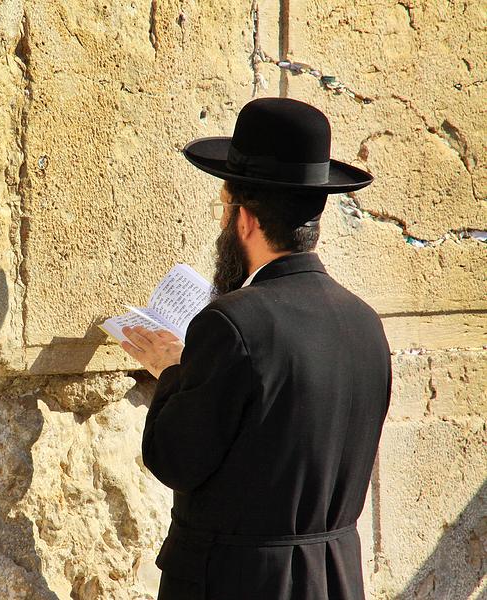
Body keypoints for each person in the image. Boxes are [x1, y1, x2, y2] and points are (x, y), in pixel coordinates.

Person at [120, 97, 392, 599]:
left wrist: (174, 370)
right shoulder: (365, 323)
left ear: (244, 219)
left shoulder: (231, 322)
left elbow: (176, 460)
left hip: (238, 584)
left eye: (225, 208)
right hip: (333, 581)